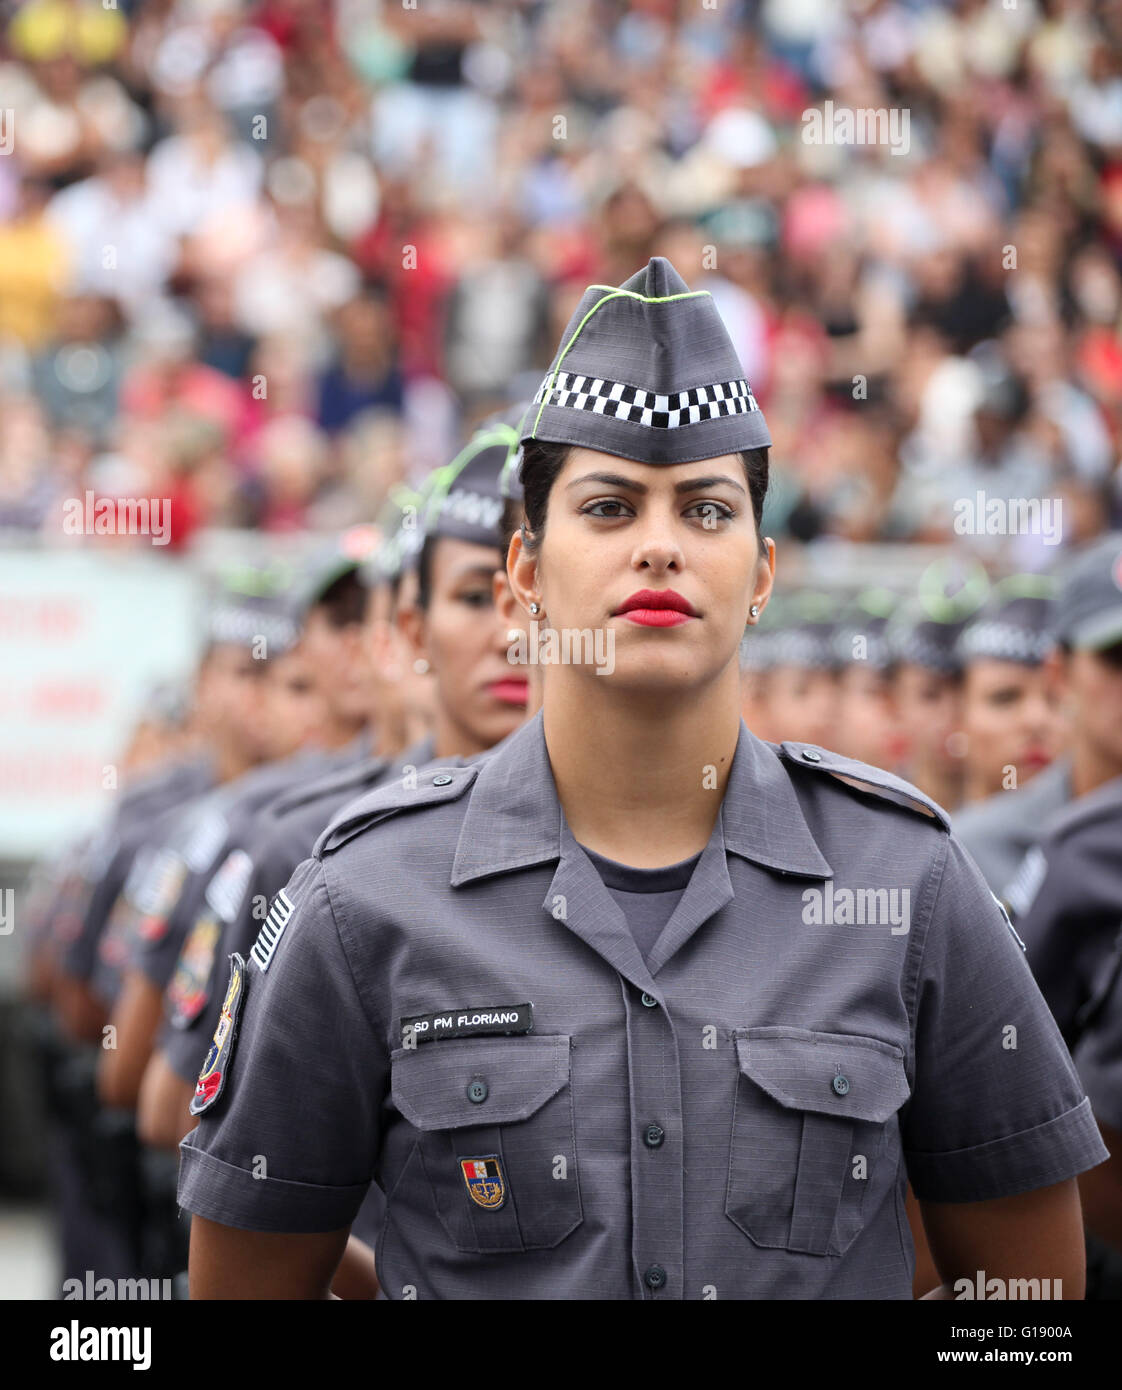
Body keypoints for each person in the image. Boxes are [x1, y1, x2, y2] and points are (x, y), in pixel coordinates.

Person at [178, 257, 1105, 1301]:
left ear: (760, 573)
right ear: (526, 571)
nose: (661, 547)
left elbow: (1031, 1299)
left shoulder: (909, 881)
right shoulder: (370, 897)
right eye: (611, 508)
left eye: (706, 511)